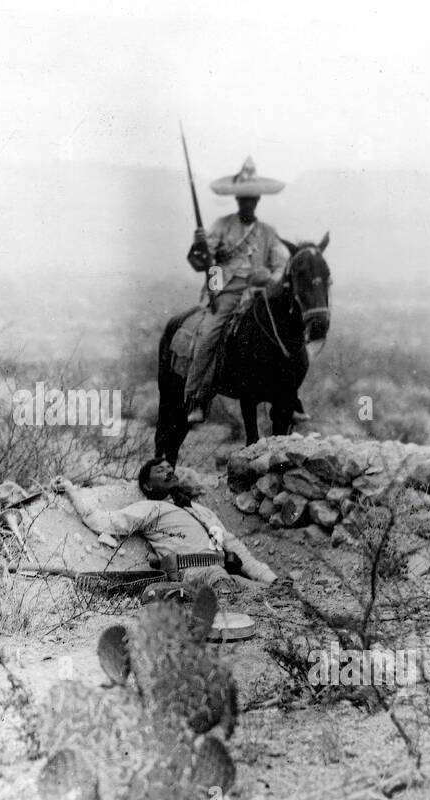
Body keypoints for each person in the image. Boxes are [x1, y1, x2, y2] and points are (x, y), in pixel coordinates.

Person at [51, 459, 278, 590]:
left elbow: (234, 546)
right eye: (160, 470)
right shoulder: (150, 508)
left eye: (170, 468)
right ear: (148, 487)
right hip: (196, 573)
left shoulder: (200, 511)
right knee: (225, 588)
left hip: (223, 572)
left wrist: (269, 578)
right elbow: (99, 520)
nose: (169, 471)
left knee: (271, 594)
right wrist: (71, 490)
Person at [184, 157, 290, 426]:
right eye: (243, 200)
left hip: (259, 293)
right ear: (237, 201)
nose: (247, 204)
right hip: (228, 290)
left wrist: (271, 279)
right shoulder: (222, 225)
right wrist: (199, 247)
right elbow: (202, 262)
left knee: (288, 331)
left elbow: (282, 262)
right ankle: (198, 397)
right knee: (210, 332)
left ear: (257, 201)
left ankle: (291, 396)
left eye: (252, 199)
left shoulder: (267, 232)